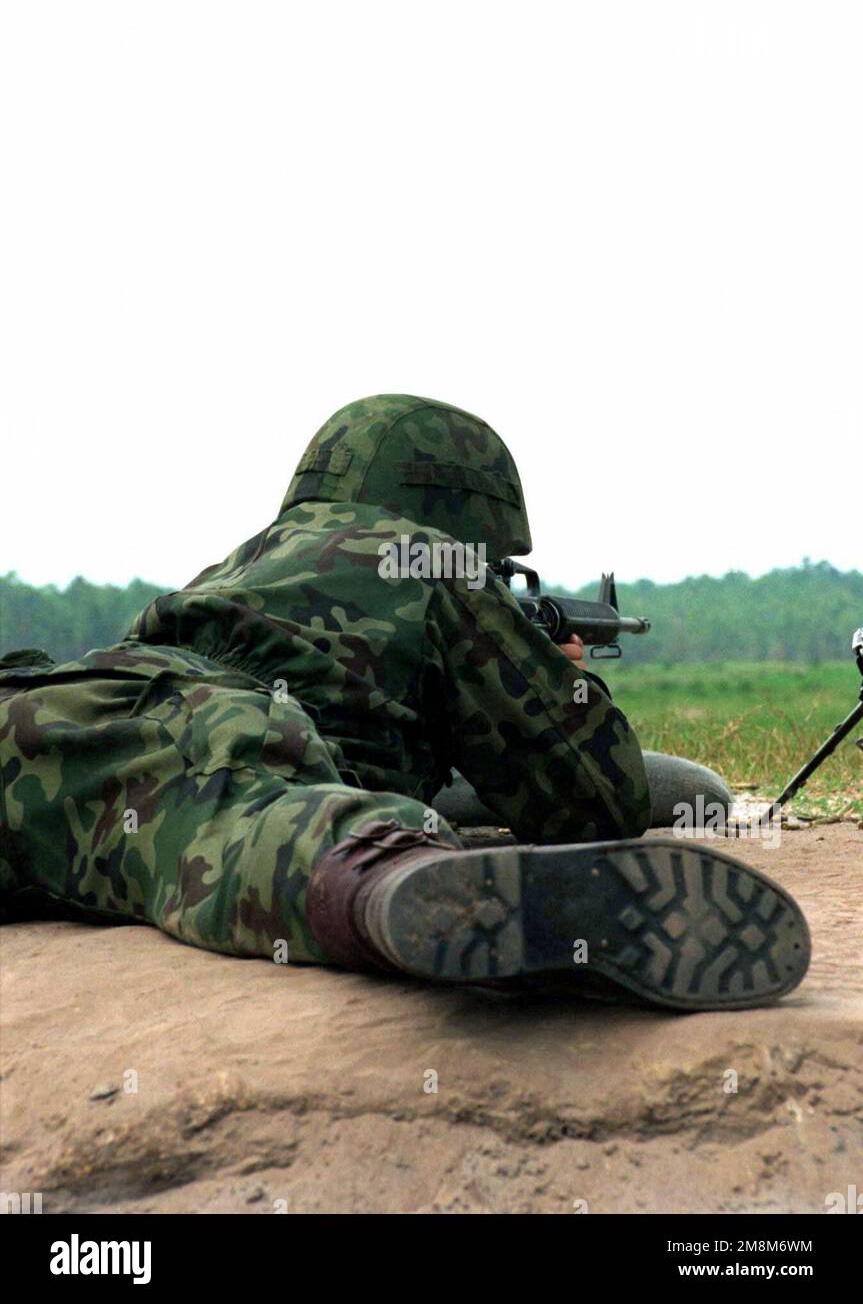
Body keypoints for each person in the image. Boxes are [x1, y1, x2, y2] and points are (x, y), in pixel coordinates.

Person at [0, 395, 809, 1008]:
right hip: (217, 735)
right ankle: (418, 893)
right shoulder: (436, 562)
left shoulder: (243, 561)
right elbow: (595, 799)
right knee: (267, 841)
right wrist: (563, 682)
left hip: (56, 704)